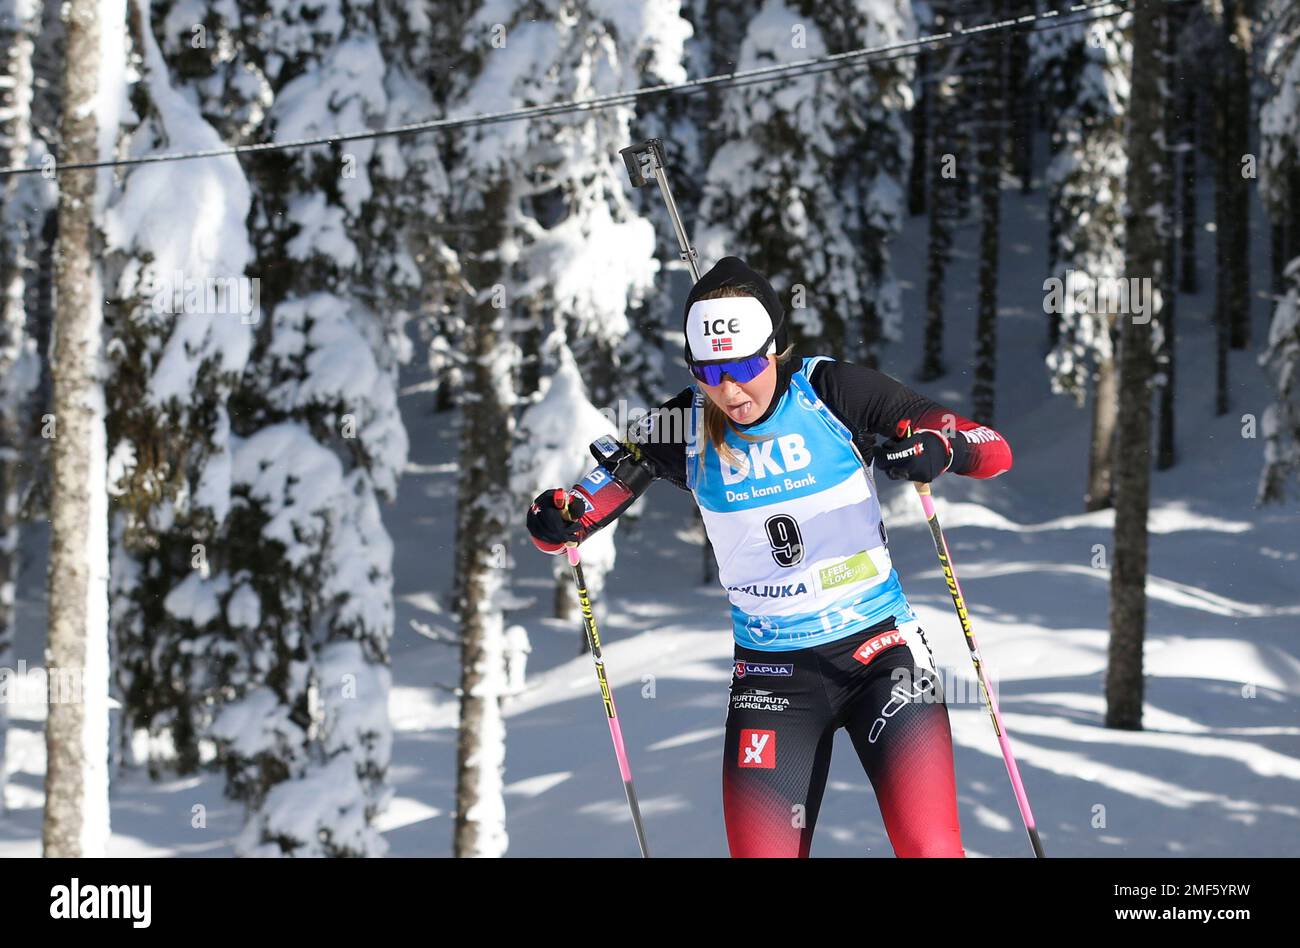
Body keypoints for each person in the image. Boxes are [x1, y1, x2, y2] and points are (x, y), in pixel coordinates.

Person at [525, 256, 1013, 857]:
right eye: (709, 370)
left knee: (930, 849)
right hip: (771, 677)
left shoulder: (830, 390)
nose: (730, 389)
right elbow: (575, 514)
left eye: (746, 365)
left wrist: (944, 446)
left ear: (776, 350)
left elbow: (992, 448)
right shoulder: (684, 423)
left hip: (881, 654)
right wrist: (557, 515)